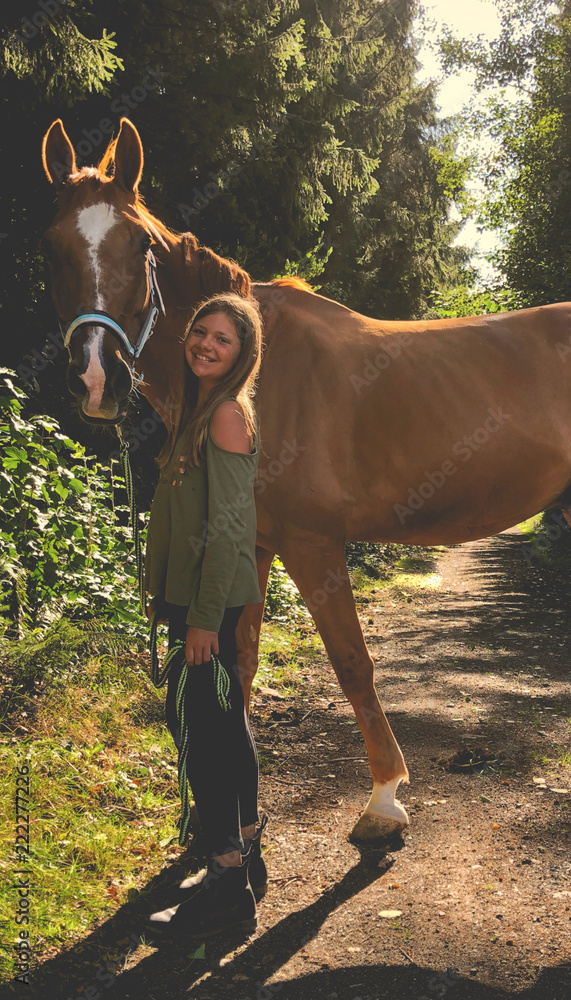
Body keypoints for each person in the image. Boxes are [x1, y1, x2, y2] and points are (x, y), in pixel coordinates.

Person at [143, 292, 266, 939]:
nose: (207, 345)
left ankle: (227, 886)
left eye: (224, 340)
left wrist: (200, 619)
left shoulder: (225, 415)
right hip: (192, 598)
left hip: (206, 604)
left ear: (242, 356)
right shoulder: (197, 409)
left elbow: (229, 527)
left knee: (202, 730)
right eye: (201, 332)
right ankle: (243, 833)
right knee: (224, 717)